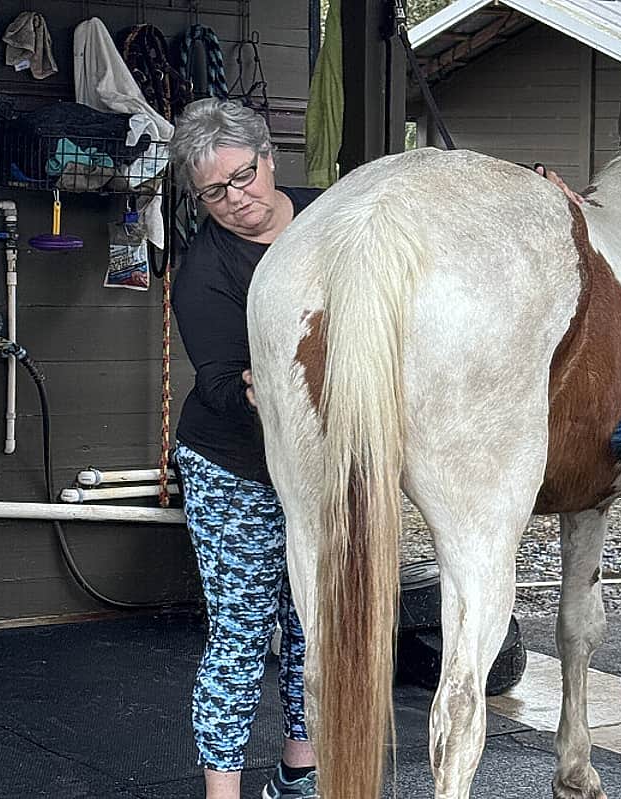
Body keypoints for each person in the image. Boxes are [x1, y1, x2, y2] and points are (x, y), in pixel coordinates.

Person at [169, 97, 583, 799]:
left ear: (269, 158)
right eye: (214, 191)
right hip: (235, 468)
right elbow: (217, 385)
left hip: (322, 460)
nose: (237, 199)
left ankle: (301, 772)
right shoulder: (204, 269)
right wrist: (291, 385)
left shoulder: (331, 215)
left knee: (316, 629)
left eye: (243, 176)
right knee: (240, 634)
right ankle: (222, 792)